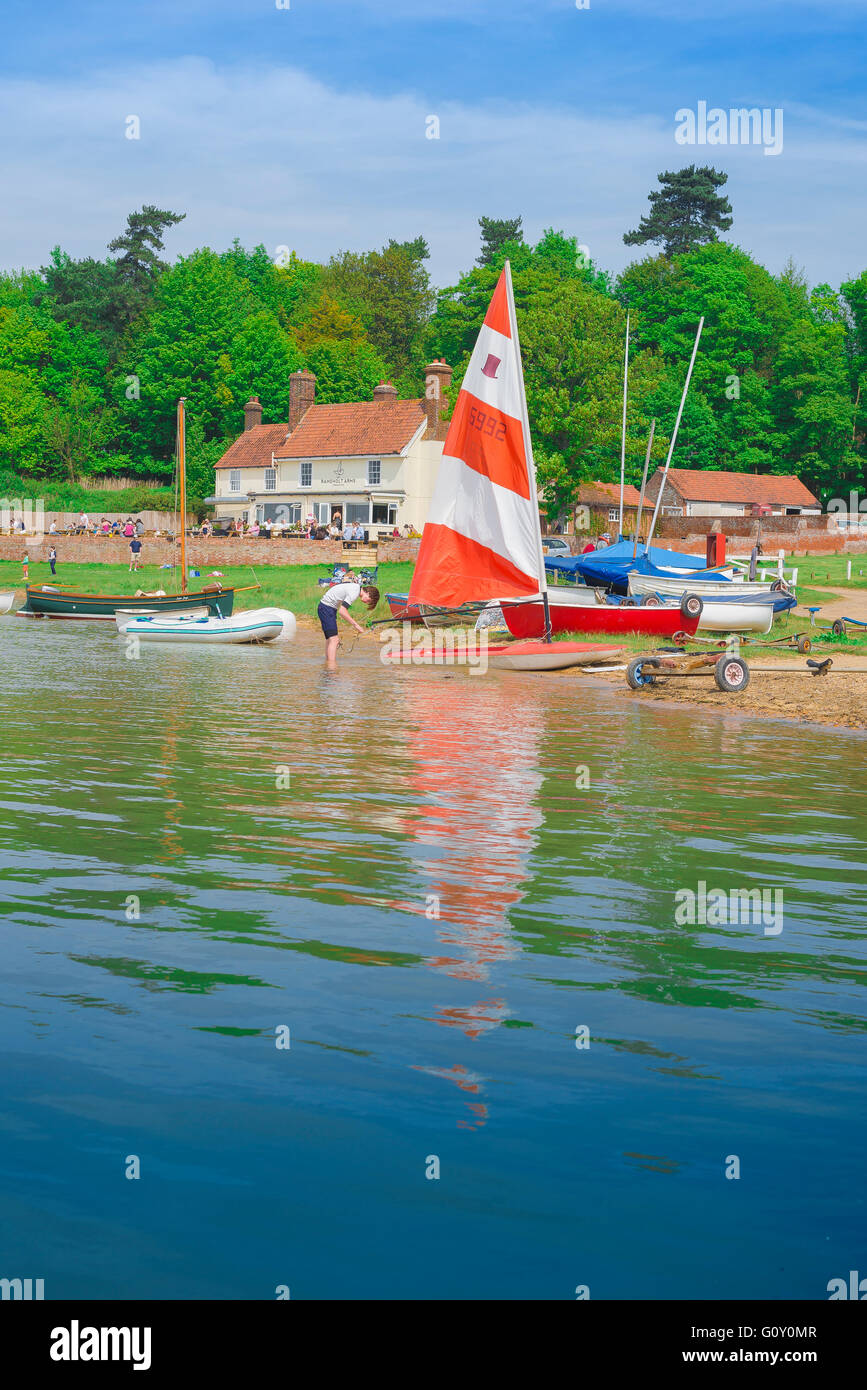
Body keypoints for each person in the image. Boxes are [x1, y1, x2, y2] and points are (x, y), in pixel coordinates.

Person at [317, 575, 379, 668]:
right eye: (369, 600)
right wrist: (356, 625)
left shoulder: (355, 588)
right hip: (327, 608)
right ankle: (332, 669)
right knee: (334, 640)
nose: (366, 603)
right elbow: (342, 611)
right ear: (368, 593)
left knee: (330, 640)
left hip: (326, 608)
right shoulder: (355, 591)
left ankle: (328, 666)